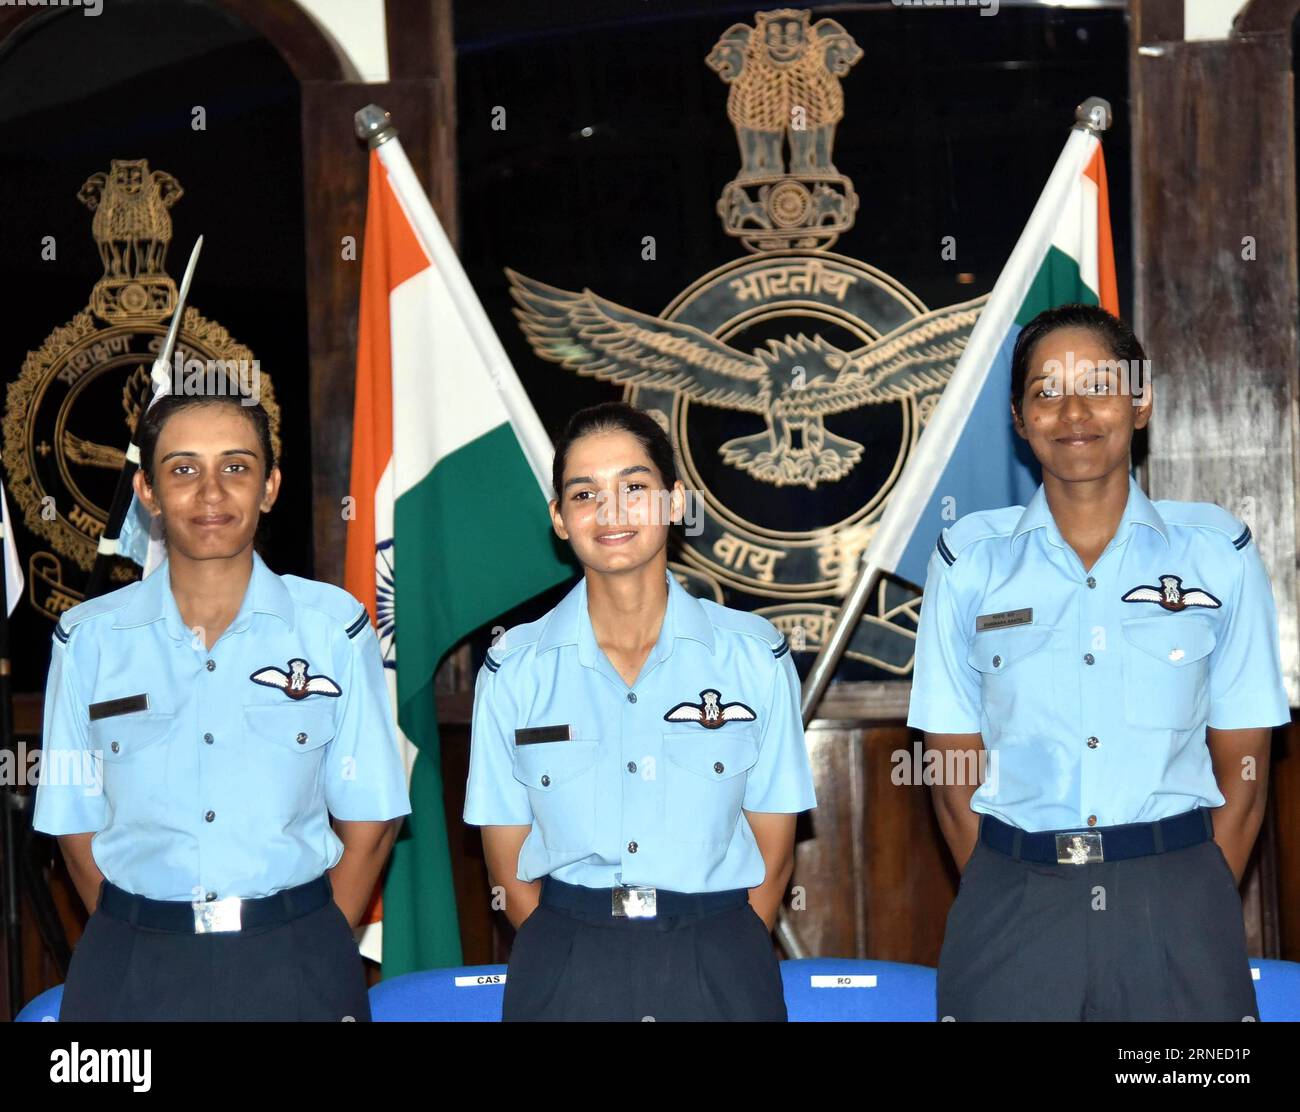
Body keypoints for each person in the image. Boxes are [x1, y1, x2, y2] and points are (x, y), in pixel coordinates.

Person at [908, 303, 1290, 1021]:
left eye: (1098, 386)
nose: (1073, 411)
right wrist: (1009, 887)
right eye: (1045, 392)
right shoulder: (968, 563)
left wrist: (1196, 894)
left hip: (1176, 906)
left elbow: (1247, 766)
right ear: (1020, 421)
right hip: (1016, 907)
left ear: (1139, 402)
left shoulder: (1216, 555)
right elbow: (950, 769)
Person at [32, 390, 410, 1021]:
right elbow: (73, 826)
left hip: (295, 961)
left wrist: (310, 938)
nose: (211, 494)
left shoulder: (333, 629)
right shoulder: (87, 640)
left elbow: (371, 820)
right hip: (131, 967)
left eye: (236, 467)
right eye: (183, 470)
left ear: (270, 487)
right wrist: (144, 930)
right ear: (148, 493)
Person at [464, 401, 816, 1021]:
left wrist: (716, 949)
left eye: (634, 487)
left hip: (719, 960)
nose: (611, 511)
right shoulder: (513, 670)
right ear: (559, 518)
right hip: (568, 963)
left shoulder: (753, 658)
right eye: (584, 493)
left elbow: (774, 852)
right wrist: (575, 954)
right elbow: (507, 862)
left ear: (676, 503)